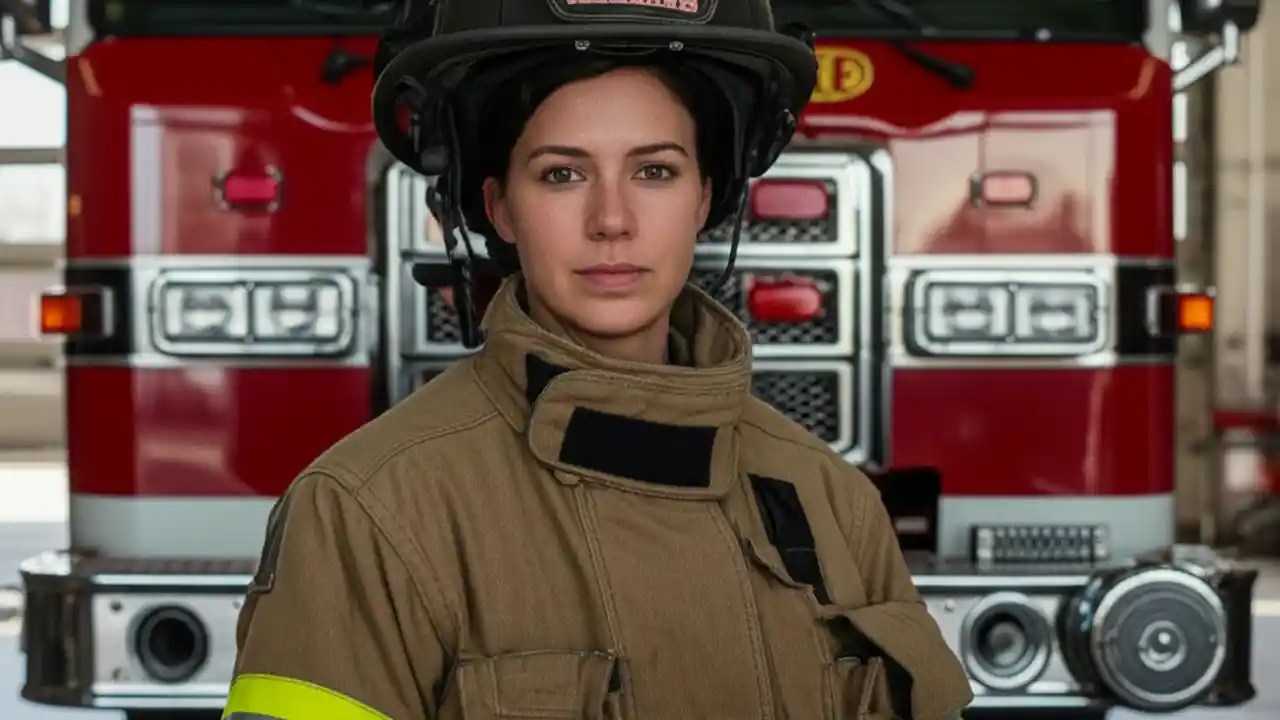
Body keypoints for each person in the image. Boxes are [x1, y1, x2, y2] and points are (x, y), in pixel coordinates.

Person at [222, 1, 973, 718]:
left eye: (654, 171)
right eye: (562, 173)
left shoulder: (830, 501)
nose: (611, 220)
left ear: (706, 198)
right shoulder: (367, 511)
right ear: (499, 208)